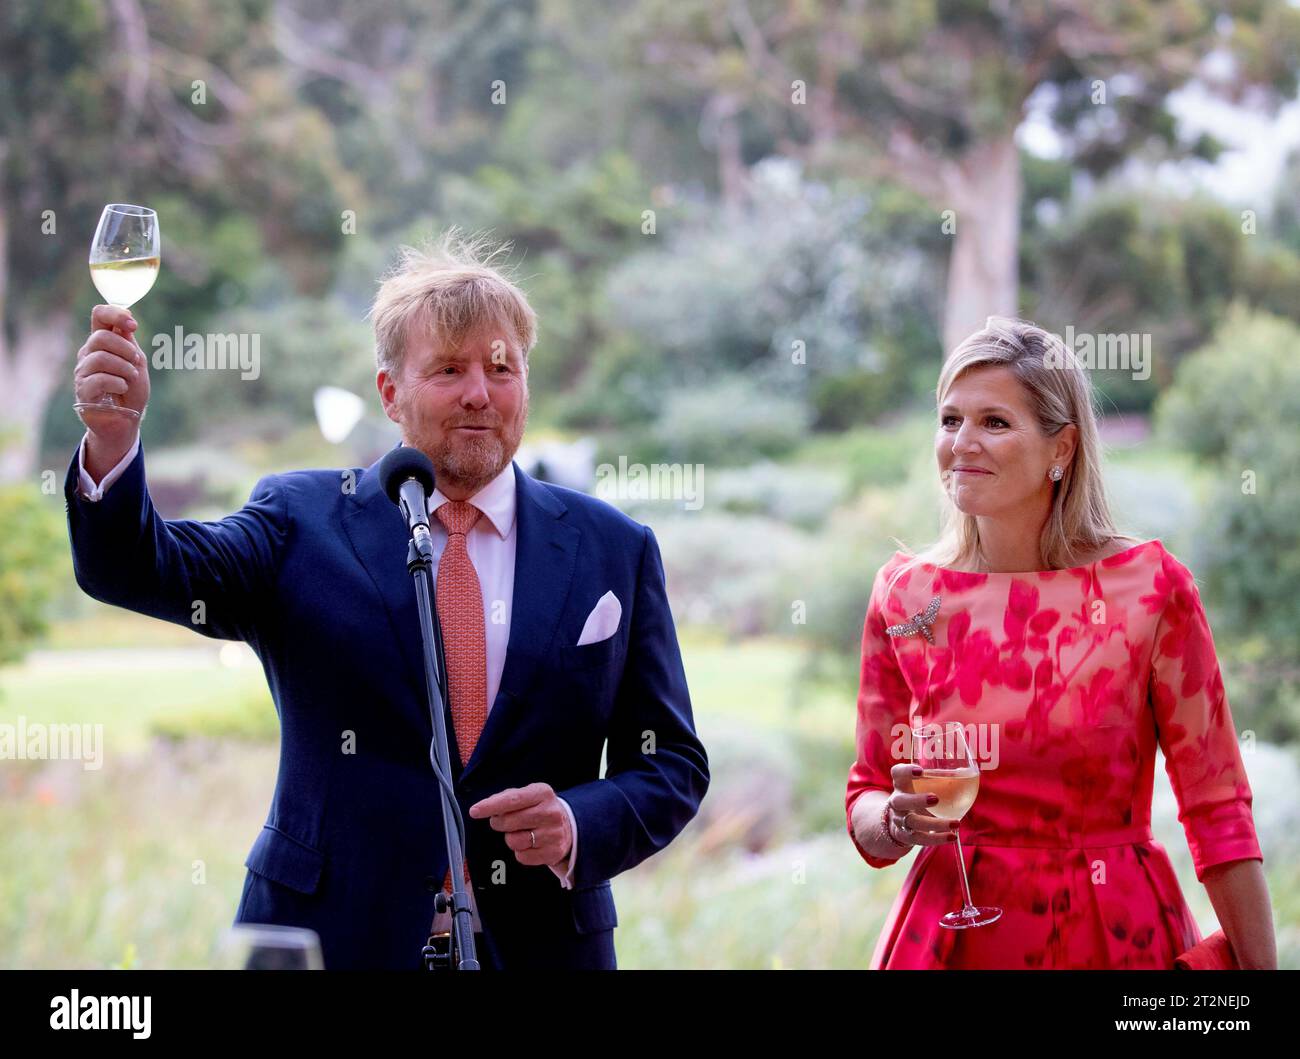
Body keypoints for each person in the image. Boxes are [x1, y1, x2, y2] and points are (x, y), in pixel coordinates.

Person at [65, 228, 709, 970]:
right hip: (329, 939)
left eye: (502, 368)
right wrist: (114, 444)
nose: (479, 391)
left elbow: (672, 762)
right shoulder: (299, 520)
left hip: (540, 947)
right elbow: (139, 569)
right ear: (390, 392)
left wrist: (577, 821)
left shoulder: (613, 548)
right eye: (448, 368)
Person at [845, 317, 1275, 969]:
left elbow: (1218, 811)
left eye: (994, 421)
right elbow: (868, 794)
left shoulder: (1152, 589)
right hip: (950, 937)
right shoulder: (904, 594)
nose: (963, 442)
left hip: (1107, 933)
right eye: (949, 419)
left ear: (1062, 448)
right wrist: (897, 819)